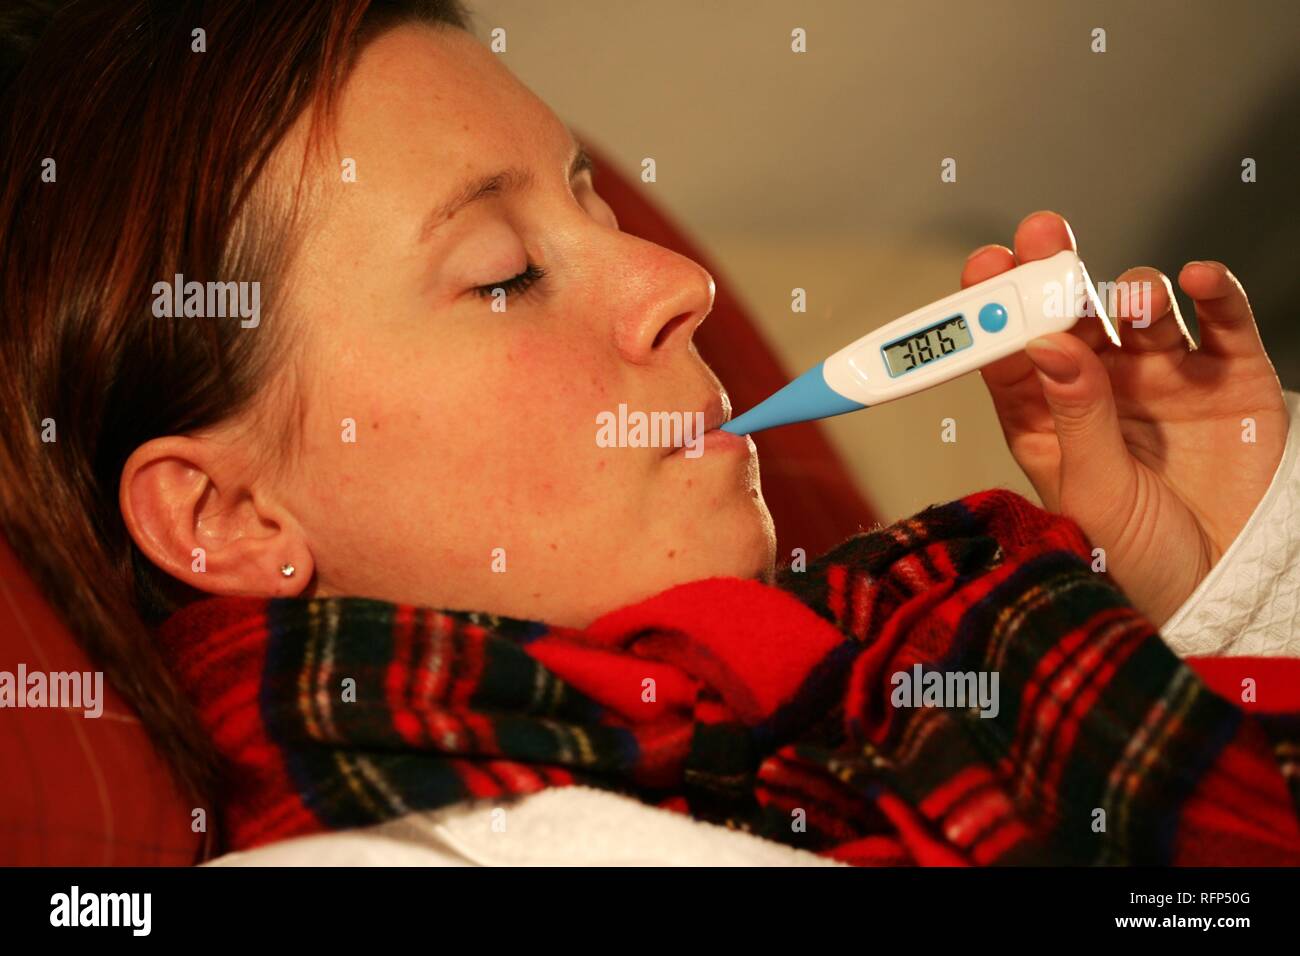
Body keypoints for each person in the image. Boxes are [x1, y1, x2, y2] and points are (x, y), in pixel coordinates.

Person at [1, 0, 1296, 866]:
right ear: (229, 518)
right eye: (504, 271)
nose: (679, 285)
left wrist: (1210, 586)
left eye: (592, 205)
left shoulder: (893, 697)